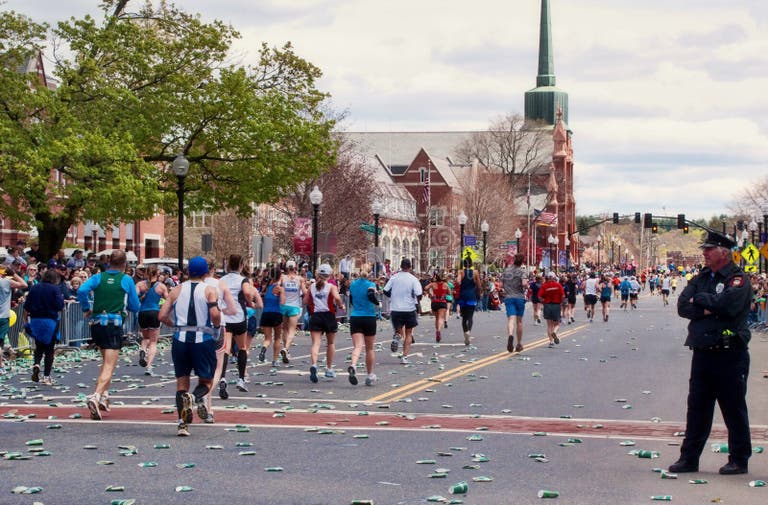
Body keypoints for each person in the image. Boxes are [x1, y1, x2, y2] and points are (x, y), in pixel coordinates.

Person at [669, 231, 753, 475]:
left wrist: (702, 302)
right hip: (703, 352)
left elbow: (728, 306)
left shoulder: (737, 279)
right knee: (697, 409)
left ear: (723, 253)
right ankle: (689, 458)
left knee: (733, 409)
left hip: (729, 354)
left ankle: (738, 459)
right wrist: (709, 305)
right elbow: (683, 306)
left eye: (709, 249)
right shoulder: (702, 277)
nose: (704, 253)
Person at [159, 256, 221, 437]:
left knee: (181, 382)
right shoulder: (209, 290)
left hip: (180, 339)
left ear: (188, 272)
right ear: (205, 272)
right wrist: (216, 329)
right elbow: (215, 314)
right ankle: (194, 398)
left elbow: (162, 315)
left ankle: (182, 424)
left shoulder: (176, 290)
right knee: (207, 381)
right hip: (202, 338)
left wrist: (174, 326)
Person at [77, 250, 140, 420]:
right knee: (109, 365)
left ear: (108, 262)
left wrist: (86, 308)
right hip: (114, 324)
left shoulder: (98, 277)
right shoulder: (126, 280)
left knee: (106, 362)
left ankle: (104, 397)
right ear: (124, 264)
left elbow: (82, 290)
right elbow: (135, 306)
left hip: (97, 324)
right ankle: (96, 396)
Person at [218, 254, 259, 394]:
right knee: (242, 347)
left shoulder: (222, 280)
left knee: (226, 349)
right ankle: (241, 378)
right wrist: (251, 302)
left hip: (225, 317)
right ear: (241, 265)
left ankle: (222, 377)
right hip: (239, 317)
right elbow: (247, 292)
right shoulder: (243, 280)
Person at [304, 263, 345, 381]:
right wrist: (341, 305)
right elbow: (337, 298)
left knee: (316, 343)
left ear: (318, 274)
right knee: (330, 343)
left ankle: (313, 365)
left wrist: (314, 300)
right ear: (329, 275)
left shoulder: (312, 287)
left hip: (316, 316)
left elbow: (306, 301)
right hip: (328, 315)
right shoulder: (331, 287)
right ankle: (329, 368)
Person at [23, 269, 65, 384]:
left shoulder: (34, 288)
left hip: (36, 320)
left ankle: (36, 364)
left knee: (39, 346)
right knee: (49, 350)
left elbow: (26, 306)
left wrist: (26, 320)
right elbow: (60, 305)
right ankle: (46, 376)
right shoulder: (55, 289)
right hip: (50, 321)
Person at [384, 258, 422, 363]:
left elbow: (385, 290)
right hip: (409, 308)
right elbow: (419, 294)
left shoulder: (394, 277)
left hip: (395, 308)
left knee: (398, 330)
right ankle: (404, 356)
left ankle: (397, 337)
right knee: (409, 333)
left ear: (401, 266)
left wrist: (393, 296)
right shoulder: (413, 279)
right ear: (410, 267)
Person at [348, 271, 380, 386]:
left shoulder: (353, 284)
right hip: (369, 317)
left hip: (355, 316)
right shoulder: (370, 284)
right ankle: (370, 374)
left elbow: (351, 299)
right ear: (369, 275)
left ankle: (353, 364)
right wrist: (377, 303)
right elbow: (371, 295)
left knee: (357, 346)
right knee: (369, 348)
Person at [136, 267, 169, 375]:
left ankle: (142, 350)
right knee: (153, 341)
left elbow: (134, 298)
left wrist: (142, 298)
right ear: (157, 274)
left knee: (145, 338)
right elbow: (168, 300)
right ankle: (149, 366)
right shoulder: (161, 286)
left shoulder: (140, 285)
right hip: (154, 312)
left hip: (143, 313)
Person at [0, 265, 28, 374]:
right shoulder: (6, 282)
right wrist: (14, 274)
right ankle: (1, 366)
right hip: (3, 316)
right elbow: (24, 284)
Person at [257, 267, 284, 367]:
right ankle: (274, 360)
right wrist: (283, 293)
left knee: (267, 338)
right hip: (276, 313)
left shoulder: (267, 287)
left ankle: (264, 348)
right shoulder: (279, 288)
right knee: (277, 338)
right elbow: (282, 302)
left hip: (266, 313)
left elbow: (260, 295)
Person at [279, 260, 305, 364]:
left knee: (285, 329)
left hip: (284, 306)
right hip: (294, 307)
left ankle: (286, 350)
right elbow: (305, 292)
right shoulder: (300, 279)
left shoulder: (282, 278)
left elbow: (276, 287)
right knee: (292, 330)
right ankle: (286, 348)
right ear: (295, 268)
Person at [502, 254, 528, 353]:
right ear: (522, 261)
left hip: (509, 297)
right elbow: (524, 283)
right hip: (519, 298)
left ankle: (510, 335)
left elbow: (501, 284)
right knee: (519, 321)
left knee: (511, 319)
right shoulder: (522, 271)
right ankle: (519, 343)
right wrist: (526, 286)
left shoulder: (506, 270)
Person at [456, 258, 483, 346]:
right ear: (471, 264)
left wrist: (460, 281)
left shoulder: (461, 272)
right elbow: (479, 286)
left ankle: (465, 333)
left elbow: (458, 281)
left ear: (464, 264)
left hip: (463, 296)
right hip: (472, 296)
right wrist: (478, 294)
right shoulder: (475, 272)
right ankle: (469, 332)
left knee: (464, 317)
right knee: (470, 316)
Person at [539, 272, 564, 347]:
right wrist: (560, 302)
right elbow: (563, 296)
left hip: (547, 305)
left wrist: (543, 302)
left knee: (549, 325)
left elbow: (539, 297)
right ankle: (555, 332)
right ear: (554, 278)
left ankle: (551, 342)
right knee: (556, 324)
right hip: (556, 305)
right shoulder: (558, 285)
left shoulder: (544, 286)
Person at [425, 271, 450, 343]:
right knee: (441, 318)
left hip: (434, 302)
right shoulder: (445, 284)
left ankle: (437, 330)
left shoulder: (433, 284)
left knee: (437, 318)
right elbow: (449, 292)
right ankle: (438, 331)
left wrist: (430, 293)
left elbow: (426, 288)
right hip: (442, 302)